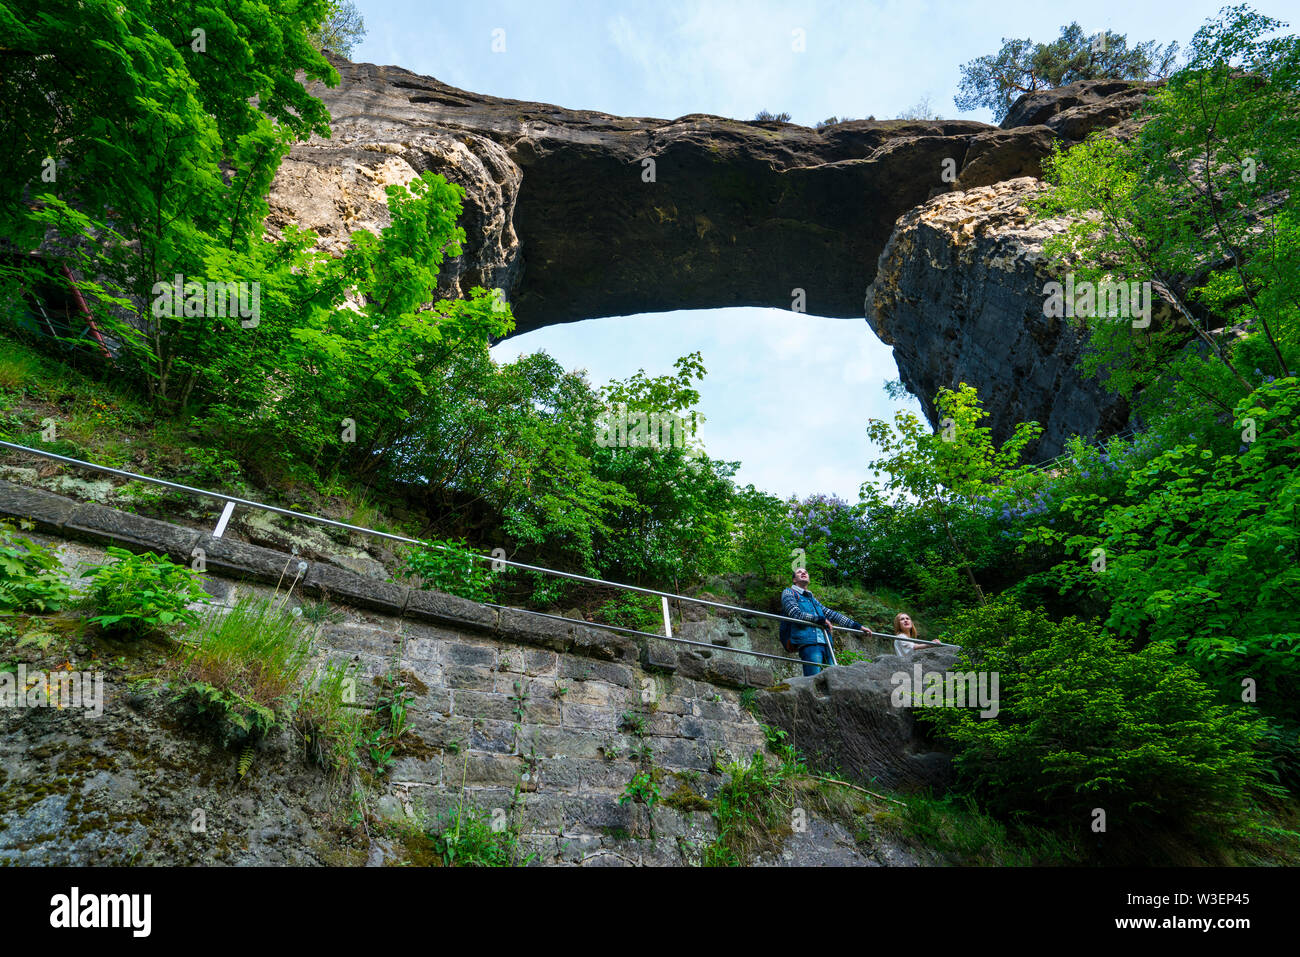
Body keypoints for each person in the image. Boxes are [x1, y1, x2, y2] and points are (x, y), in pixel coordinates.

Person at [780, 567, 864, 677]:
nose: (803, 573)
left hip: (827, 644)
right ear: (794, 580)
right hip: (809, 643)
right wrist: (820, 619)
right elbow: (795, 613)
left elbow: (832, 614)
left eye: (806, 572)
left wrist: (858, 627)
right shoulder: (789, 592)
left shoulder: (812, 599)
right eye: (799, 572)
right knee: (813, 680)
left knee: (834, 679)